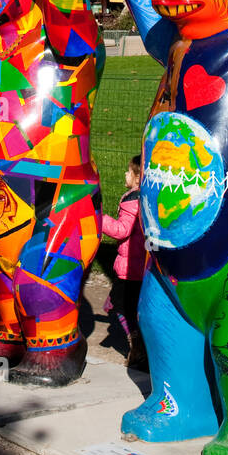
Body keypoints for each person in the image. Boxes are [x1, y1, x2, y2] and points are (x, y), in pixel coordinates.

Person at [101, 155, 147, 369]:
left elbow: (122, 230)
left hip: (129, 269)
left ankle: (136, 344)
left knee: (120, 306)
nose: (125, 174)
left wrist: (100, 219)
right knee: (125, 304)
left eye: (129, 172)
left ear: (138, 177)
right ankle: (140, 344)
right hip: (141, 267)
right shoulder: (147, 199)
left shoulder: (131, 201)